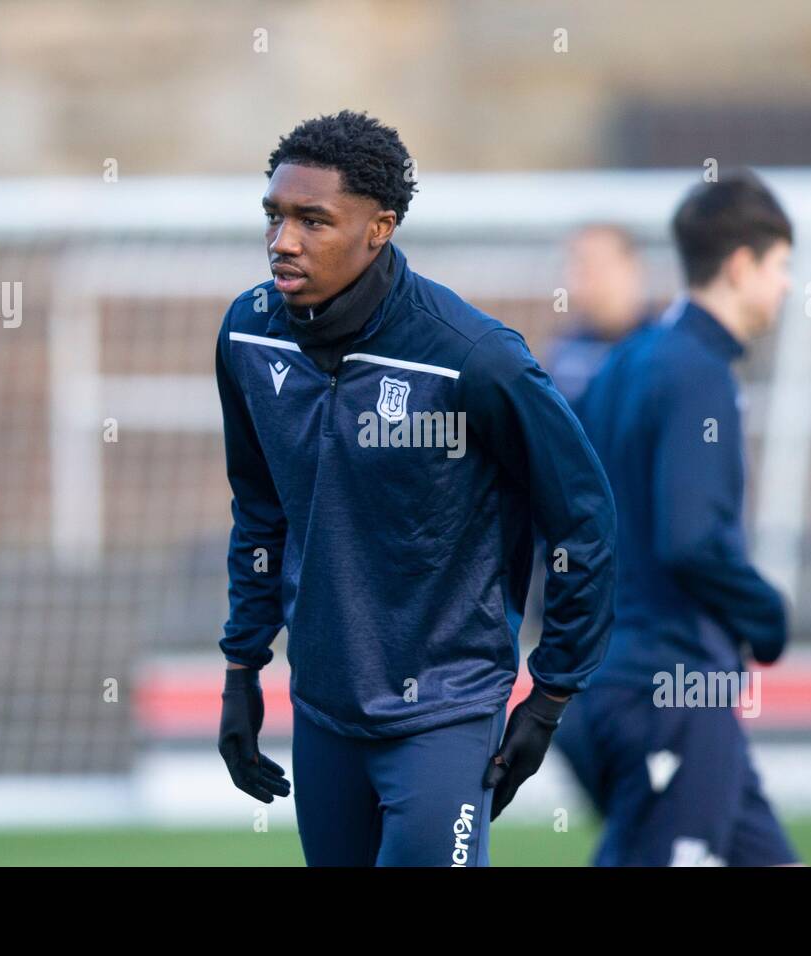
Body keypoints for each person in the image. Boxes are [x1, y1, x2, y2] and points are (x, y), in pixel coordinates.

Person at [213, 110, 616, 866]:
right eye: (274, 216)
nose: (282, 241)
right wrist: (242, 668)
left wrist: (553, 694)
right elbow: (259, 512)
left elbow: (584, 520)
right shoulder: (247, 333)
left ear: (380, 227)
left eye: (312, 220)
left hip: (445, 711)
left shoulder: (475, 359)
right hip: (324, 709)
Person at [554, 170, 798, 866]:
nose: (786, 285)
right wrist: (766, 613)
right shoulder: (698, 372)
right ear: (741, 265)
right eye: (782, 266)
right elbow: (690, 539)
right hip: (672, 685)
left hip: (613, 679)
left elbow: (568, 515)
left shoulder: (627, 363)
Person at [544, 223, 651, 410]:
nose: (590, 279)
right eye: (581, 266)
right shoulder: (563, 352)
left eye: (601, 265)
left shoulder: (663, 348)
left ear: (633, 268)